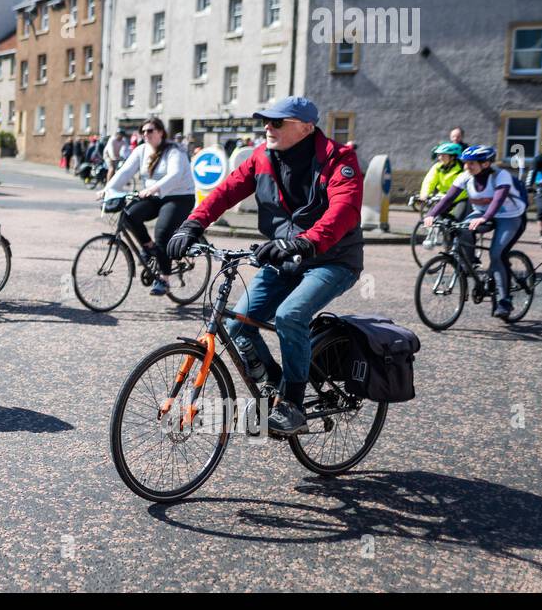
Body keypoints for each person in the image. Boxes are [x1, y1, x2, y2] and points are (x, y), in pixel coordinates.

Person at [166, 96, 364, 435]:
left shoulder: (338, 159)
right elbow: (225, 192)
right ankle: (275, 386)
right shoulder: (261, 157)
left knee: (290, 315)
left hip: (331, 259)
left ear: (306, 127)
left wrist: (305, 241)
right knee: (240, 324)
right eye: (265, 122)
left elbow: (343, 211)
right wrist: (192, 224)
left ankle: (293, 404)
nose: (267, 128)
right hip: (284, 258)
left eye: (276, 122)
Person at [424, 145, 527, 319]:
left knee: (497, 254)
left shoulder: (501, 176)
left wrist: (485, 217)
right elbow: (449, 197)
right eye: (465, 163)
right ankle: (469, 262)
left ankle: (504, 300)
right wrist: (431, 214)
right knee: (461, 228)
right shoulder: (466, 177)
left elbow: (498, 199)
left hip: (510, 215)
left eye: (471, 163)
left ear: (486, 163)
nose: (467, 167)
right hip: (482, 213)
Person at [100, 117, 195, 296]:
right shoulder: (141, 150)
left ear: (160, 132)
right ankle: (149, 247)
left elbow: (175, 174)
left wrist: (153, 188)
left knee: (162, 232)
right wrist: (107, 189)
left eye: (150, 130)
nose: (146, 134)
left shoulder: (175, 150)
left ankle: (164, 279)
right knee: (129, 214)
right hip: (154, 195)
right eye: (143, 131)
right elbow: (125, 171)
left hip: (180, 197)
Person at [419, 142, 465, 217]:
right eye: (439, 155)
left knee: (457, 219)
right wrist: (425, 194)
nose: (440, 158)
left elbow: (463, 190)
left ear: (452, 157)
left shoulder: (462, 169)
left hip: (459, 199)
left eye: (443, 155)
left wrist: (449, 196)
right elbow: (429, 181)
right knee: (431, 218)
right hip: (442, 198)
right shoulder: (437, 167)